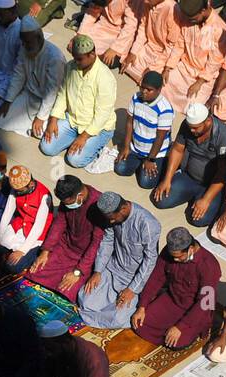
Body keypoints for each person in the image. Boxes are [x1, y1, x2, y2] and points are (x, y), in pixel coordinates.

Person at [116, 226, 218, 356]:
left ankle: (190, 330)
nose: (175, 260)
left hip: (195, 309)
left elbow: (205, 304)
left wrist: (181, 327)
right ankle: (167, 329)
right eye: (173, 257)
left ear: (191, 249)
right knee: (139, 324)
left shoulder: (209, 265)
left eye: (179, 257)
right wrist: (142, 306)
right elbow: (156, 279)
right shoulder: (169, 253)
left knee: (176, 342)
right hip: (172, 300)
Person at [76, 191, 162, 329]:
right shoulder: (113, 217)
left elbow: (150, 260)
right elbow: (107, 242)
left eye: (112, 218)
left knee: (119, 319)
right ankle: (96, 315)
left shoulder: (148, 224)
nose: (110, 222)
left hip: (132, 279)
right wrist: (98, 271)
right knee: (84, 298)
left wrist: (132, 289)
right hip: (113, 270)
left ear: (123, 209)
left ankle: (96, 316)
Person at [40, 35, 117, 168]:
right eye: (74, 58)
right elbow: (63, 94)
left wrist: (84, 137)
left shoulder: (105, 78)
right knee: (46, 147)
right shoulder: (71, 67)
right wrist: (53, 119)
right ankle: (74, 141)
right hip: (73, 121)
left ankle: (96, 145)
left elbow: (102, 114)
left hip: (98, 128)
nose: (76, 62)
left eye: (79, 59)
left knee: (74, 160)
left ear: (92, 54)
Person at [152, 102, 226, 226]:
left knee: (199, 220)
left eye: (195, 128)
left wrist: (206, 199)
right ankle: (192, 195)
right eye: (190, 126)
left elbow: (222, 172)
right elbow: (177, 149)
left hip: (212, 183)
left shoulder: (224, 136)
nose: (191, 130)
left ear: (207, 121)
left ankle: (211, 200)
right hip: (189, 177)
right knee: (160, 200)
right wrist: (167, 179)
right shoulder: (187, 126)